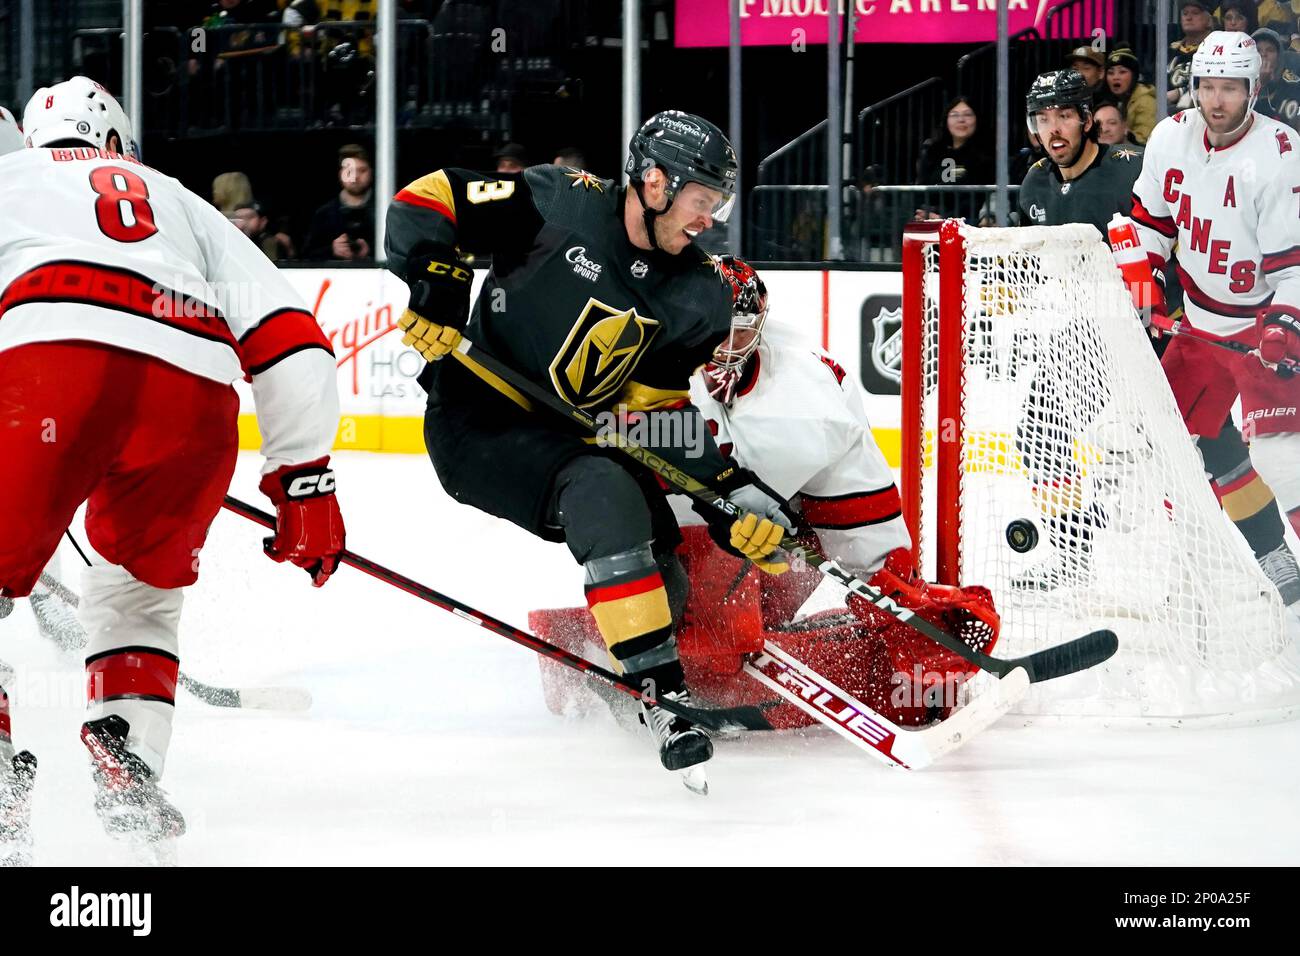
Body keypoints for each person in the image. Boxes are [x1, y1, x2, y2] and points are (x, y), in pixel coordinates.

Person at [384, 111, 790, 777]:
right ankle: (660, 694)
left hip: (566, 435)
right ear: (656, 181)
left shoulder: (696, 296)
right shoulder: (558, 201)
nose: (708, 220)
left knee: (664, 572)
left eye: (716, 205)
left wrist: (730, 495)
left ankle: (614, 670)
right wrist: (437, 288)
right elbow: (429, 198)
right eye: (701, 200)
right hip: (476, 423)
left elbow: (654, 416)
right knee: (603, 490)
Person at [0, 77, 347, 857]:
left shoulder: (11, 177)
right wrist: (304, 480)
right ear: (118, 144)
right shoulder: (178, 199)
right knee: (139, 598)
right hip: (190, 399)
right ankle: (130, 761)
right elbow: (290, 339)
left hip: (51, 371)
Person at [531, 258, 1001, 730]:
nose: (717, 347)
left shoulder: (808, 395)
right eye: (704, 326)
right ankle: (641, 648)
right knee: (690, 618)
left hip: (776, 539)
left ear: (760, 325)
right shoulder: (632, 368)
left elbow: (855, 501)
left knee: (724, 646)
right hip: (666, 529)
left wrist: (892, 595)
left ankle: (699, 662)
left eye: (735, 331)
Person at [1130, 31, 1300, 615]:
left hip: (1262, 325)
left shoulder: (1281, 151)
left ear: (1253, 89)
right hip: (1199, 321)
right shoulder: (1170, 137)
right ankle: (1244, 561)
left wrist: (1283, 326)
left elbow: (1295, 263)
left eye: (1230, 87)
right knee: (1181, 448)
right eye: (1207, 86)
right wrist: (1142, 277)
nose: (1216, 99)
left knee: (1284, 461)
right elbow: (1149, 221)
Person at [303, 143, 375, 260]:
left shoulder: (385, 211)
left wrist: (373, 250)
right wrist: (332, 249)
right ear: (340, 174)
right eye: (349, 171)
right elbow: (307, 256)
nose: (355, 176)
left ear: (371, 173)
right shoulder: (324, 214)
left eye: (362, 170)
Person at [1169, 1, 1218, 110]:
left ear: (1209, 20)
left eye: (1195, 13)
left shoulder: (1216, 51)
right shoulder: (1170, 50)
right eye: (1185, 13)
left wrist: (1180, 92)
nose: (1188, 18)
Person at [1105, 46, 1157, 144]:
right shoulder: (1118, 100)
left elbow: (1145, 141)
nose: (1115, 77)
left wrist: (1120, 134)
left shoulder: (1145, 100)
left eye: (1122, 72)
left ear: (1134, 76)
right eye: (1111, 73)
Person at [1254, 26, 1300, 129]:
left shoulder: (1294, 83)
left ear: (1279, 56)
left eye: (1270, 50)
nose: (1263, 54)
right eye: (1257, 50)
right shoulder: (1241, 82)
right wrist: (1261, 85)